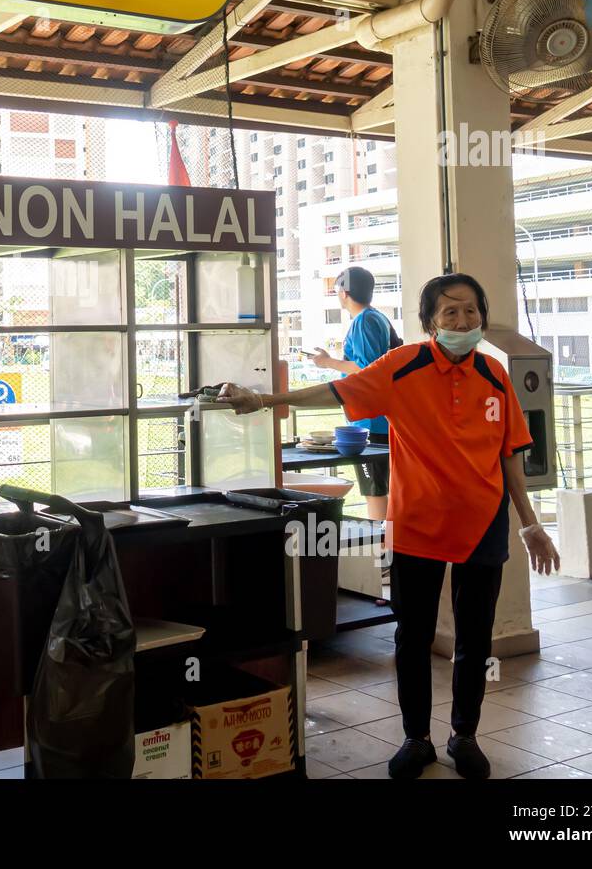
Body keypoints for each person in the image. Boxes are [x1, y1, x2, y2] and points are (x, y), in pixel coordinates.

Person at [220, 273, 560, 780]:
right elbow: (338, 391)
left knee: (475, 638)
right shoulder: (403, 366)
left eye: (470, 311)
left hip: (483, 524)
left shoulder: (494, 373)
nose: (462, 321)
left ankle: (464, 736)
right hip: (417, 525)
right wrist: (264, 401)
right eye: (450, 313)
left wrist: (530, 524)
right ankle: (416, 738)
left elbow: (510, 452)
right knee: (413, 636)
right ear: (429, 322)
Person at [312, 266, 400, 521]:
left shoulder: (363, 321)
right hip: (382, 419)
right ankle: (390, 549)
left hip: (370, 423)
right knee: (387, 489)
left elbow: (367, 368)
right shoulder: (377, 318)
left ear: (344, 293)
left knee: (375, 492)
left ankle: (383, 551)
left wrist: (329, 363)